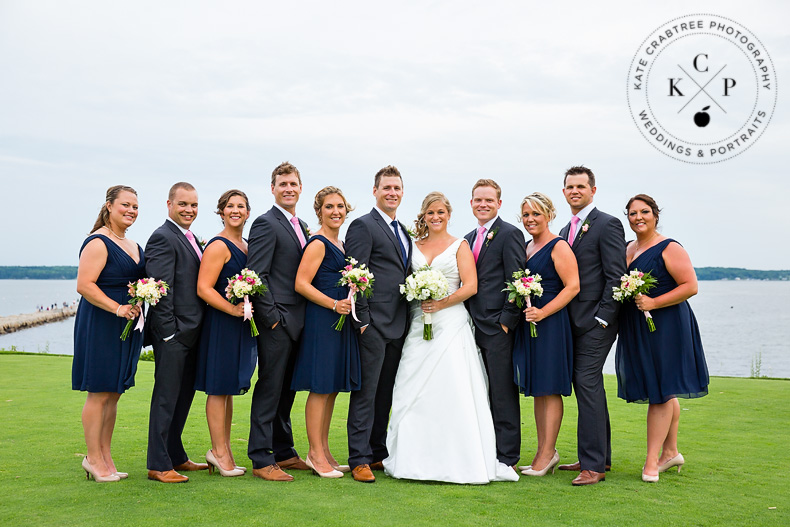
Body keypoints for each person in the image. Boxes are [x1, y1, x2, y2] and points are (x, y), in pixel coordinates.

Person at [384, 192, 518, 484]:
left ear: (449, 214)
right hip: (419, 325)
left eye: (441, 212)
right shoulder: (412, 246)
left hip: (450, 323)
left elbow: (471, 286)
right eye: (431, 212)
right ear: (424, 215)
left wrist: (441, 303)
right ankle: (413, 457)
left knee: (452, 387)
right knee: (411, 386)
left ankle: (460, 458)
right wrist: (419, 295)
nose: (436, 217)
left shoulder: (461, 245)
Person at [616, 194, 709, 483]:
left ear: (656, 215)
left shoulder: (670, 247)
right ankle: (671, 451)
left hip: (667, 325)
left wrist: (655, 303)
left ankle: (651, 462)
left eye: (645, 212)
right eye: (632, 213)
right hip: (639, 326)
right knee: (661, 385)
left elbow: (690, 286)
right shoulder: (627, 248)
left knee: (661, 390)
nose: (638, 217)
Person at [556, 166, 626, 486]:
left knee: (585, 382)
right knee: (589, 385)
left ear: (593, 190)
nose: (575, 191)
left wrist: (603, 317)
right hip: (571, 322)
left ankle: (593, 466)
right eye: (570, 186)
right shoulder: (563, 231)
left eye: (581, 186)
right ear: (564, 191)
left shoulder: (608, 224)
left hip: (597, 322)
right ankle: (599, 457)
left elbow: (616, 276)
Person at [73, 185, 145, 482]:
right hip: (102, 322)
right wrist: (117, 308)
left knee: (114, 393)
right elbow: (85, 285)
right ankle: (93, 458)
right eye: (125, 205)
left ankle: (105, 456)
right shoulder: (98, 242)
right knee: (99, 391)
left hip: (126, 325)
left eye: (135, 207)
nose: (131, 211)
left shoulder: (133, 244)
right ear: (109, 206)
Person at [345, 165, 412, 483]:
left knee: (385, 394)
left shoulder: (403, 231)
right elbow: (355, 275)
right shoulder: (363, 226)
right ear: (375, 191)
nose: (392, 193)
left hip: (399, 325)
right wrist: (363, 321)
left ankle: (375, 453)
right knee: (366, 393)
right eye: (387, 187)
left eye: (397, 188)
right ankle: (358, 458)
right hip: (372, 326)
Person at [246, 162, 310, 482]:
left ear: (300, 188)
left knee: (287, 391)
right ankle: (260, 458)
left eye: (293, 183)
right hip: (278, 322)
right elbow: (256, 275)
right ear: (272, 188)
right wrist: (273, 319)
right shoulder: (265, 223)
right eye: (282, 183)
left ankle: (283, 451)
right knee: (270, 389)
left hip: (300, 321)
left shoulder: (302, 226)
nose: (288, 188)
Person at [292, 187, 361, 478]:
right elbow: (301, 283)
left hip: (341, 322)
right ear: (319, 210)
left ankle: (323, 450)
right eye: (329, 206)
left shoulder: (342, 243)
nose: (336, 211)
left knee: (331, 387)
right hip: (323, 321)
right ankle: (314, 453)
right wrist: (334, 304)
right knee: (320, 387)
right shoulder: (317, 243)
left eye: (341, 206)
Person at [145, 182, 208, 483]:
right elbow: (160, 289)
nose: (189, 210)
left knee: (184, 396)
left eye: (194, 205)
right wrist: (169, 333)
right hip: (174, 335)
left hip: (192, 333)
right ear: (169, 204)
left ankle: (176, 454)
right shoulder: (162, 237)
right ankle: (158, 464)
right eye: (183, 204)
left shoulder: (191, 237)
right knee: (166, 397)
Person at [513, 192, 579, 477]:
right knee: (539, 389)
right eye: (526, 215)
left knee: (550, 388)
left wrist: (543, 313)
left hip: (550, 324)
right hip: (531, 324)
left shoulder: (559, 246)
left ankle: (548, 453)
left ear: (549, 215)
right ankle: (543, 452)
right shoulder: (526, 247)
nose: (530, 219)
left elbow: (573, 286)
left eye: (536, 214)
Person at [464, 179, 525, 471]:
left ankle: (508, 457)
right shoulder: (466, 238)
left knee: (502, 392)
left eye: (489, 200)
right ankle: (484, 449)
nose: (483, 204)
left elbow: (517, 280)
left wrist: (506, 322)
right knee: (477, 390)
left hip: (496, 327)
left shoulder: (510, 234)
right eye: (478, 200)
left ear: (499, 204)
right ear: (471, 203)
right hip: (467, 326)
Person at [194, 190, 257, 477]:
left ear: (247, 212)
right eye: (229, 206)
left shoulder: (245, 245)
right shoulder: (218, 246)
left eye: (240, 206)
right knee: (219, 388)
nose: (235, 210)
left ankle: (225, 449)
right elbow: (204, 288)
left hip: (240, 325)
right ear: (221, 212)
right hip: (221, 324)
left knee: (230, 389)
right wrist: (231, 311)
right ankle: (217, 452)